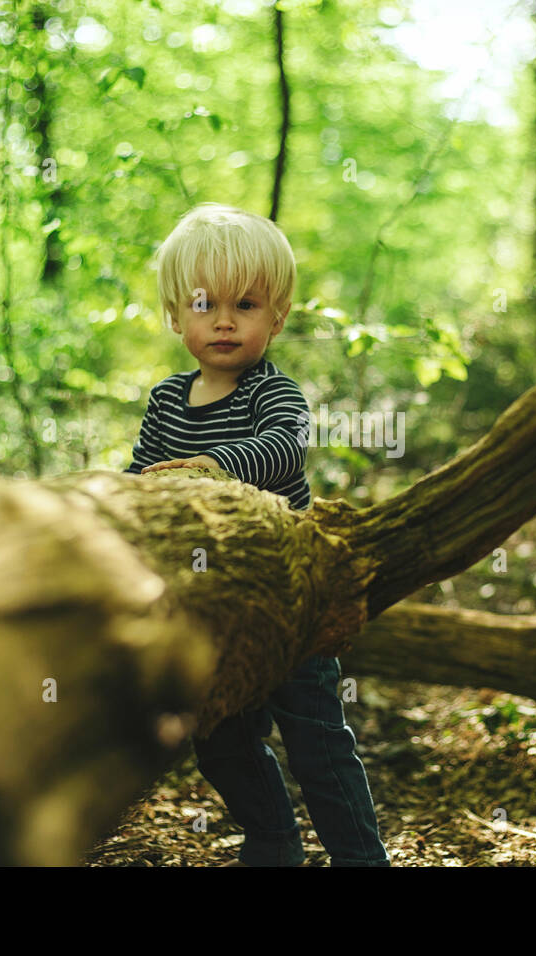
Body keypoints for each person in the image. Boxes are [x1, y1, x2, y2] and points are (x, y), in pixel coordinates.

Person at [124, 203, 390, 867]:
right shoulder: (165, 403)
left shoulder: (271, 393)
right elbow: (139, 482)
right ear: (174, 313)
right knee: (221, 740)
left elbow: (285, 449)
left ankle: (360, 855)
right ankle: (272, 837)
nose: (223, 320)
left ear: (278, 317)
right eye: (203, 303)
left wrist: (216, 467)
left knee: (318, 742)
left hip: (289, 600)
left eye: (245, 304)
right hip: (212, 612)